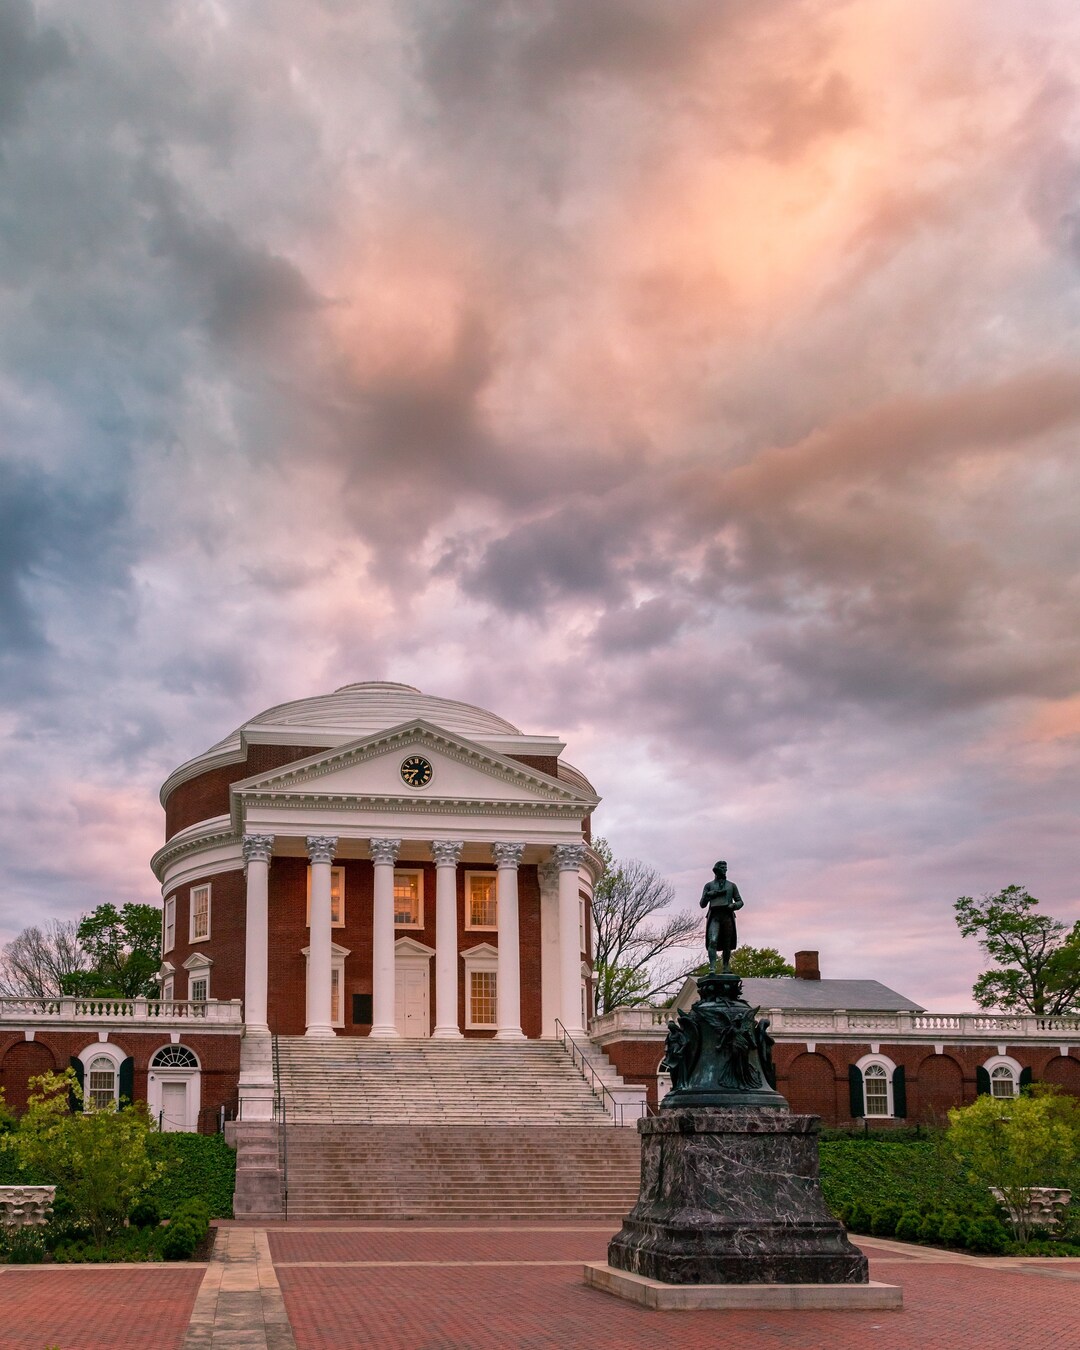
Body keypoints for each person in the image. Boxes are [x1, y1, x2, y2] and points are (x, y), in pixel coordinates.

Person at [699, 860, 743, 973]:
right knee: (712, 940)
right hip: (715, 917)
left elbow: (740, 901)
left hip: (727, 916)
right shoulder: (709, 885)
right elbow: (702, 904)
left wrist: (733, 905)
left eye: (726, 868)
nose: (725, 870)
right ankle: (712, 967)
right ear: (716, 870)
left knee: (727, 943)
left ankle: (725, 967)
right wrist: (708, 895)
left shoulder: (731, 885)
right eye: (723, 868)